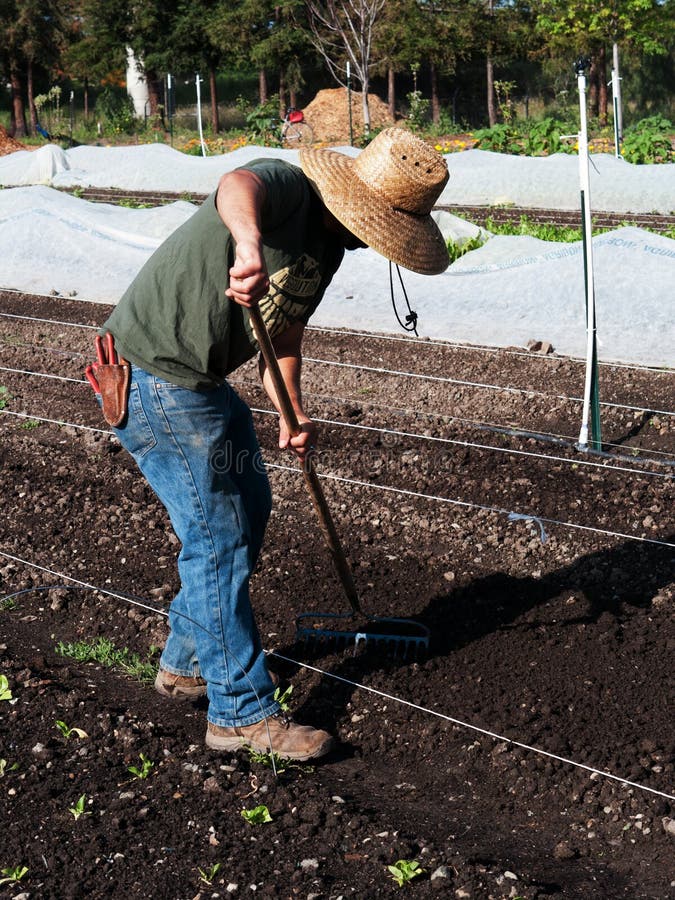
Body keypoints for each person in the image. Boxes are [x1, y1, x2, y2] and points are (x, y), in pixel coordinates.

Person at [95, 127, 450, 761]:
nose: (376, 242)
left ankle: (185, 664)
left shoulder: (330, 247)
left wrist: (291, 411)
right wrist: (249, 244)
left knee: (249, 510)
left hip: (199, 383)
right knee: (215, 537)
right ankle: (238, 713)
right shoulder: (288, 187)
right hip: (154, 375)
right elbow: (234, 186)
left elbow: (281, 336)